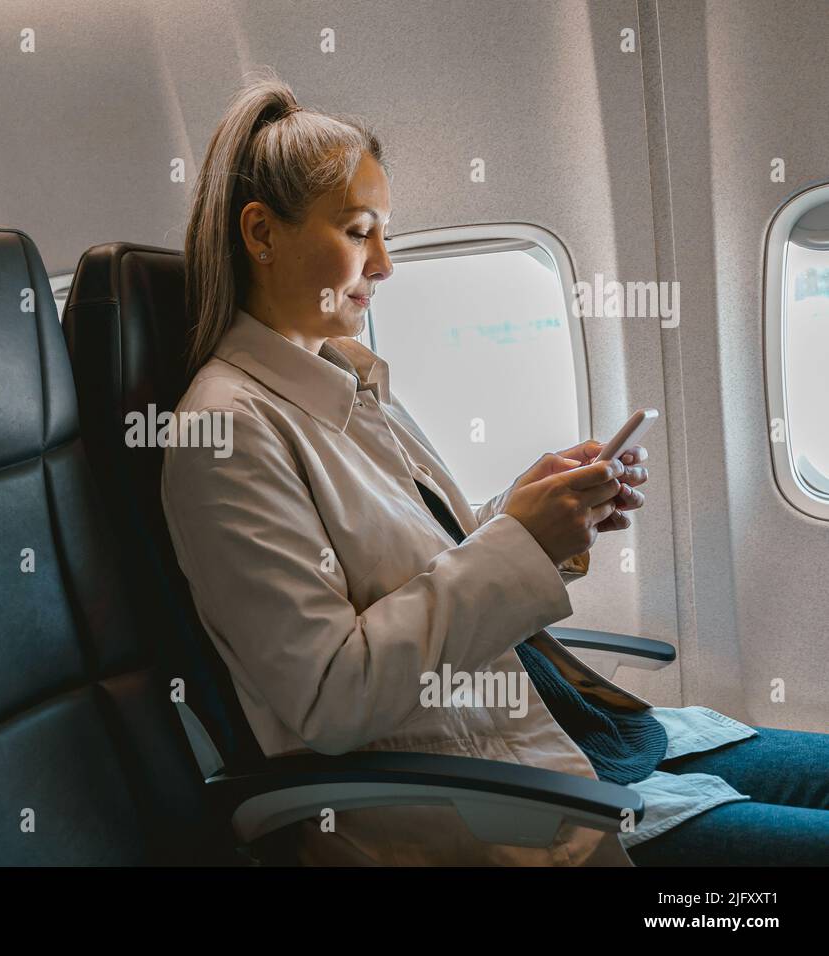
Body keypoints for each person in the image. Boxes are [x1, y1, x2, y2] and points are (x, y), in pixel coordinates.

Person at [160, 69, 829, 865]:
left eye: (384, 232)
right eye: (357, 230)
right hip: (473, 802)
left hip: (563, 738)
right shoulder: (225, 434)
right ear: (262, 233)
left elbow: (417, 566)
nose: (384, 264)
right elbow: (331, 696)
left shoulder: (346, 378)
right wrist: (518, 542)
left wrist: (533, 510)